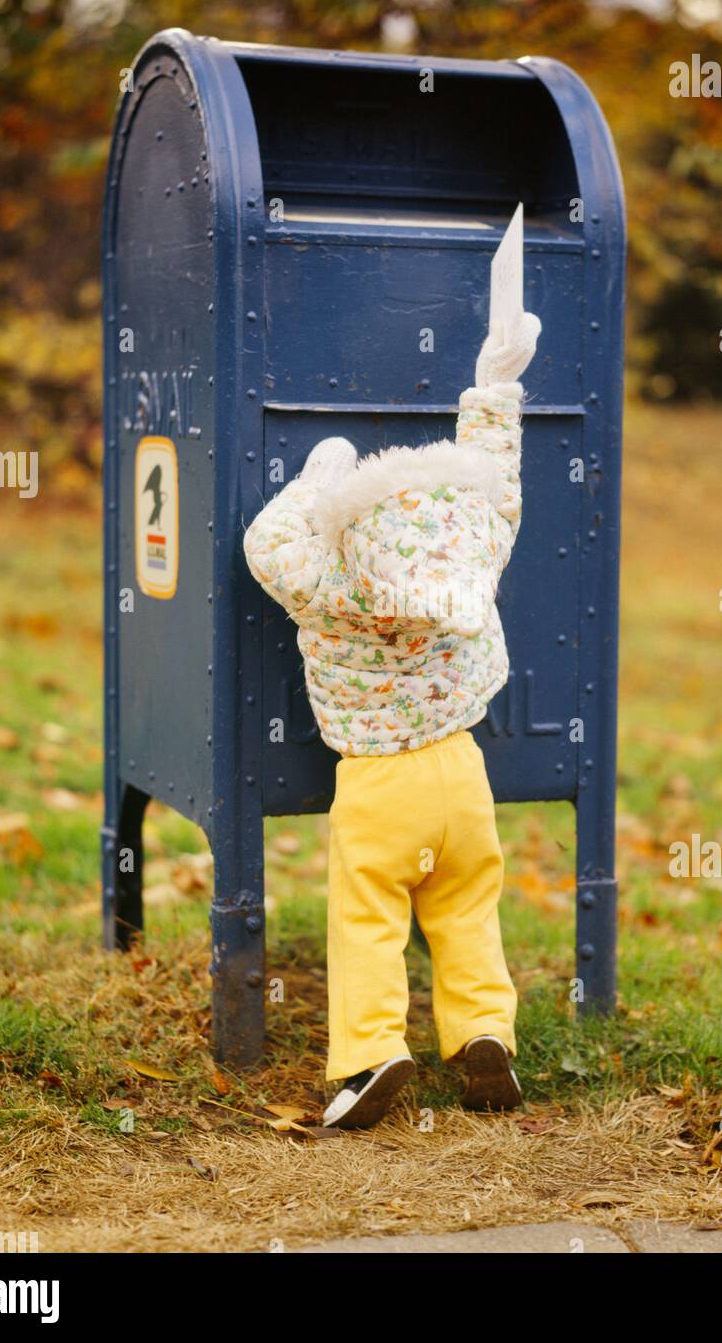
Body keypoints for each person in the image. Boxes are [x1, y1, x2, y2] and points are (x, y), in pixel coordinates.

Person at [243, 312, 541, 1129]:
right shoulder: (476, 553)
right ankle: (485, 1033)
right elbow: (496, 485)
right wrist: (496, 383)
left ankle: (374, 1054)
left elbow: (266, 544)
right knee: (466, 909)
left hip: (378, 784)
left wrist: (316, 483)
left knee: (368, 919)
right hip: (461, 774)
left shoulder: (333, 588)